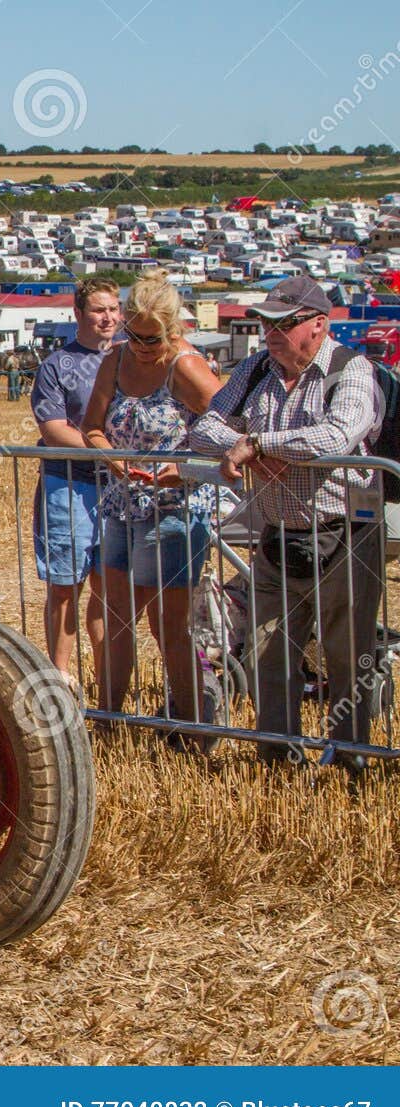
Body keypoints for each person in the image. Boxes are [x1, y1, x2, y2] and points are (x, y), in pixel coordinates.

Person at [189, 275, 383, 770]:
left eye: (284, 322)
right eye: (265, 322)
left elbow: (336, 437)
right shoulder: (256, 367)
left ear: (319, 325)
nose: (270, 332)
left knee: (347, 658)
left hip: (348, 536)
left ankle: (349, 759)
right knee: (267, 652)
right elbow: (206, 426)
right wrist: (253, 447)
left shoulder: (352, 369)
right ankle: (278, 758)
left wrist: (257, 445)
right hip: (278, 536)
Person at [80, 270, 222, 728]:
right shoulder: (115, 360)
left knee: (167, 625)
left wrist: (183, 469)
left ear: (172, 330)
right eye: (133, 335)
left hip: (174, 512)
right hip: (121, 505)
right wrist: (114, 459)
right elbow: (92, 428)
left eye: (150, 338)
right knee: (116, 617)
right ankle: (109, 718)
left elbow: (229, 432)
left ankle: (191, 721)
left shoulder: (187, 366)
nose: (140, 345)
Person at [30, 277, 122, 683]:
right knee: (65, 586)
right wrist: (107, 452)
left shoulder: (128, 361)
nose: (108, 317)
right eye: (99, 310)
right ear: (79, 315)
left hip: (120, 490)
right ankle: (60, 676)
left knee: (109, 590)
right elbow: (53, 430)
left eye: (114, 309)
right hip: (68, 485)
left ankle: (107, 681)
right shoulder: (56, 366)